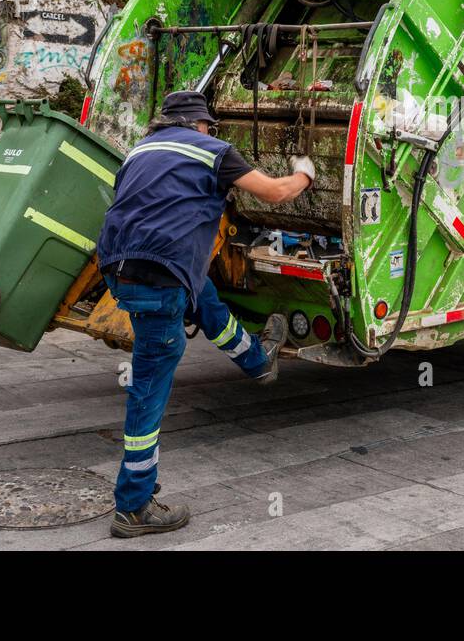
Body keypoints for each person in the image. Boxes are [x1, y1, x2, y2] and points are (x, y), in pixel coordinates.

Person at [96, 90, 315, 538]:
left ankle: (257, 360)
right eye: (209, 126)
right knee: (148, 388)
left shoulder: (139, 150)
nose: (209, 131)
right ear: (200, 125)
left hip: (120, 265)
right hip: (157, 277)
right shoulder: (213, 150)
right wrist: (304, 174)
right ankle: (133, 506)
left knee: (201, 292)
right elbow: (274, 194)